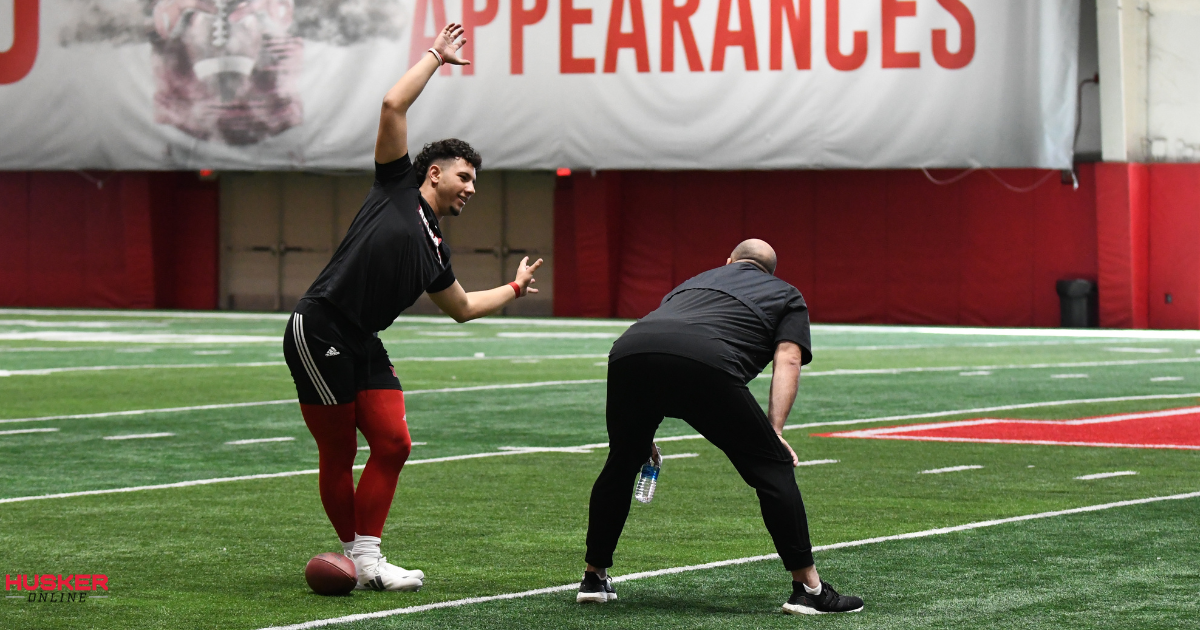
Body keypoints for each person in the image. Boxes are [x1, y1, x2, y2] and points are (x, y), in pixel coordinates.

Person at [282, 23, 543, 592]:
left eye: (476, 181)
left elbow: (465, 307)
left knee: (395, 444)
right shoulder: (395, 185)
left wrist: (514, 290)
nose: (472, 188)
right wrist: (435, 57)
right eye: (465, 177)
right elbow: (392, 102)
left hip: (363, 339)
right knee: (340, 448)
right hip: (319, 325)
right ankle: (362, 560)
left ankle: (367, 560)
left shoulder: (436, 249)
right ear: (434, 172)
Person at [578, 239, 863, 615]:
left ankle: (593, 578)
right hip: (706, 360)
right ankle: (809, 589)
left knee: (622, 462)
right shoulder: (785, 294)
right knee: (772, 468)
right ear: (769, 272)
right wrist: (775, 430)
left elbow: (662, 340)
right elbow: (789, 359)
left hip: (629, 350)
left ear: (728, 262)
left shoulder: (694, 281)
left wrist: (639, 433)